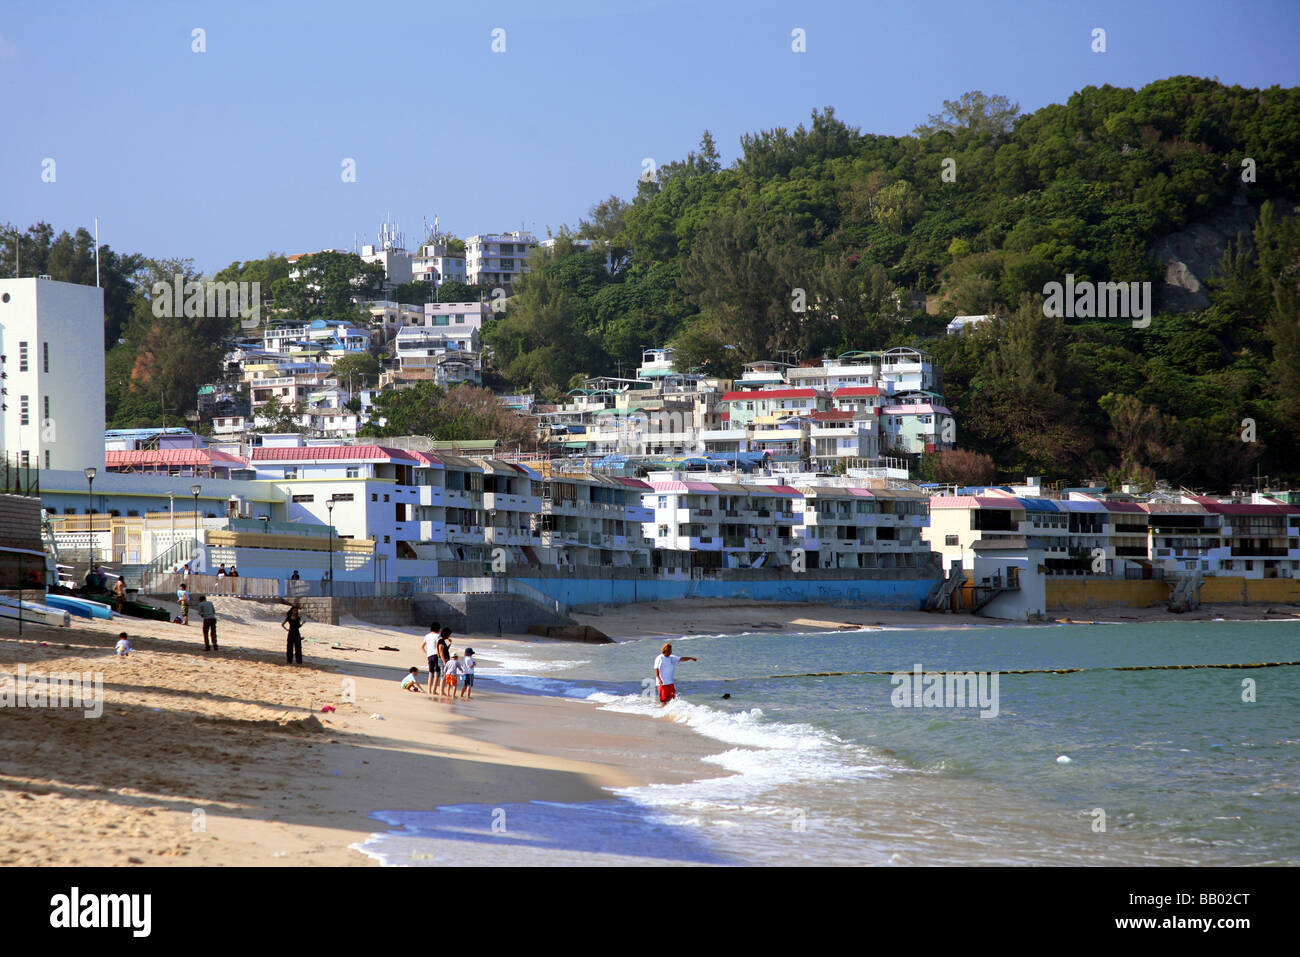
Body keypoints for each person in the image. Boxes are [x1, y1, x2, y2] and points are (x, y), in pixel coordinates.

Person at [653, 642, 698, 706]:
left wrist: (690, 658)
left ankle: (667, 713)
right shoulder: (659, 658)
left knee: (672, 699)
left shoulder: (672, 657)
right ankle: (662, 713)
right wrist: (659, 679)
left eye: (671, 651)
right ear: (664, 651)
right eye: (669, 651)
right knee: (663, 700)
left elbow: (682, 658)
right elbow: (656, 669)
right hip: (662, 683)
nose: (670, 652)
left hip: (670, 683)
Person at [422, 623, 442, 694]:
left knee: (430, 673)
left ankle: (429, 690)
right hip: (436, 655)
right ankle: (434, 691)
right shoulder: (438, 636)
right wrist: (440, 656)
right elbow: (438, 646)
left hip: (429, 656)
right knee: (437, 673)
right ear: (438, 629)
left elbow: (422, 647)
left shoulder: (427, 636)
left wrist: (427, 654)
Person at [436, 627, 453, 697]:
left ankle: (442, 691)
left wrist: (450, 643)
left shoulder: (442, 641)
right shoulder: (441, 641)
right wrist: (444, 662)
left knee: (443, 675)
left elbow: (445, 650)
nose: (449, 636)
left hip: (443, 659)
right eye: (449, 634)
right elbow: (441, 652)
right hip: (443, 660)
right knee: (443, 676)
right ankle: (441, 692)